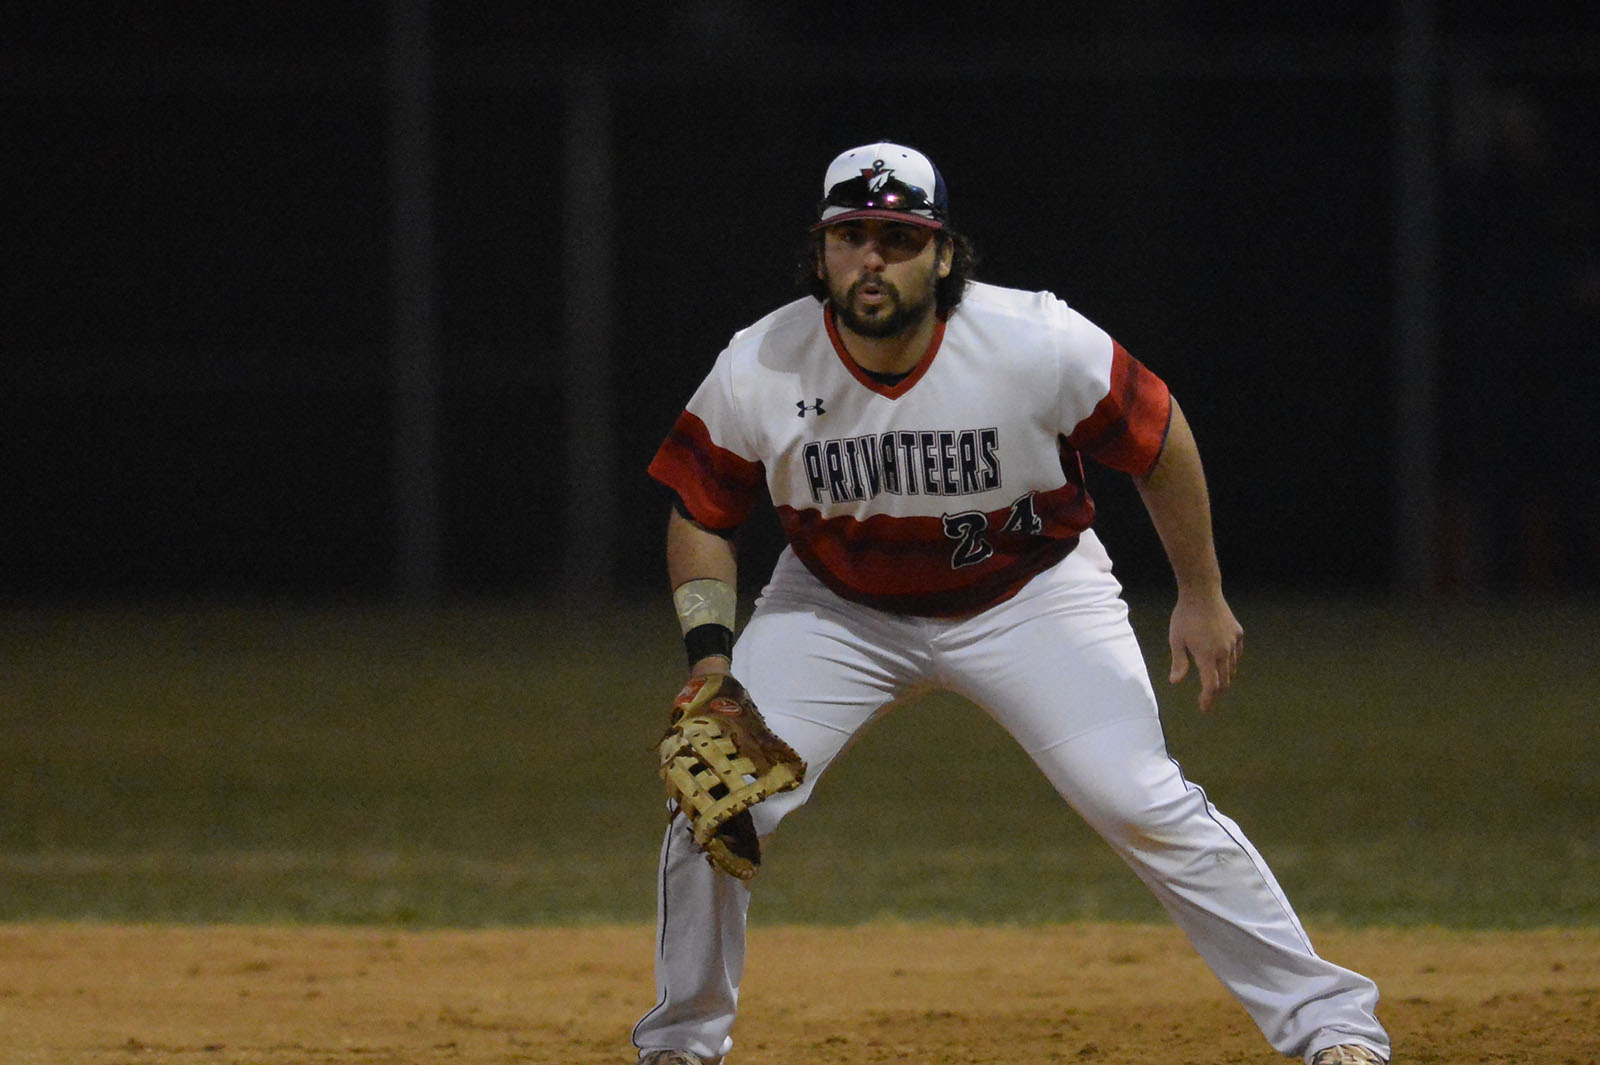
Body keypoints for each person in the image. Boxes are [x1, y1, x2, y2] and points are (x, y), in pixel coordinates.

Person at [635, 141, 1391, 1065]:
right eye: (852, 236)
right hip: (835, 609)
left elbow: (1157, 438)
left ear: (945, 253)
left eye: (899, 237)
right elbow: (701, 509)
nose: (873, 258)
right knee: (719, 797)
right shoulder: (761, 360)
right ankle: (679, 1045)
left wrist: (1201, 591)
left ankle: (1332, 1025)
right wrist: (711, 662)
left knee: (1139, 799)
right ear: (821, 250)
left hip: (1029, 595)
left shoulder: (1036, 339)